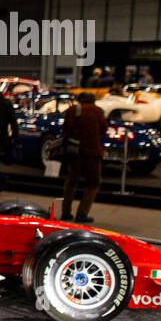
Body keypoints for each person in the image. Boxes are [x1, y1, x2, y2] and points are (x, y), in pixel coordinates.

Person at [60, 91, 106, 223]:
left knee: (71, 181)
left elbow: (65, 128)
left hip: (74, 151)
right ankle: (82, 213)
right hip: (92, 152)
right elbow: (103, 129)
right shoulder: (97, 111)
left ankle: (66, 212)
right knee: (93, 183)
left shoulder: (73, 110)